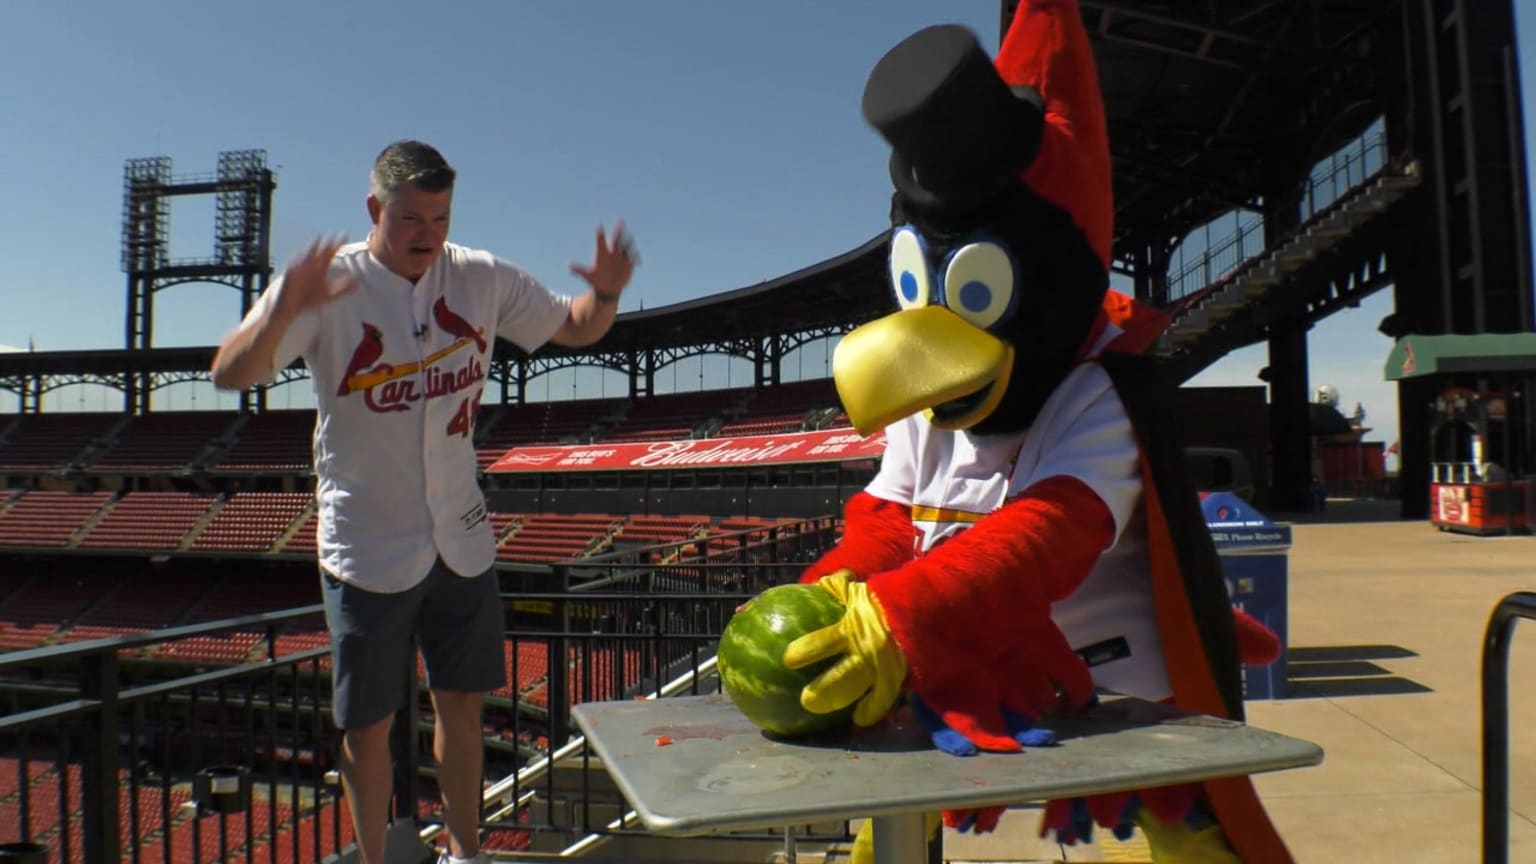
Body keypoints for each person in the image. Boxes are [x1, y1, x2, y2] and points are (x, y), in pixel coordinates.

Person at [210, 139, 635, 864]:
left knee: (463, 707)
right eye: (410, 217)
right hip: (368, 544)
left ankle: (465, 854)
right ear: (375, 210)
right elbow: (230, 371)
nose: (426, 234)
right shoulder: (329, 284)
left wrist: (607, 292)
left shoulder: (480, 275)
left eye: (438, 217)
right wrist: (285, 304)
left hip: (462, 536)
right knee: (367, 728)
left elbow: (577, 326)